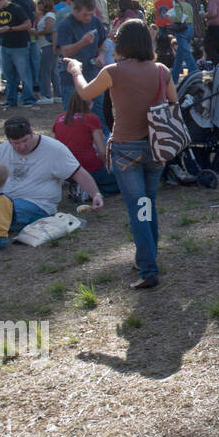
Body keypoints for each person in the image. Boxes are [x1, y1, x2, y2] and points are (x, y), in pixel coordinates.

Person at [66, 19, 172, 288]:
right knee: (147, 204)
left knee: (138, 209)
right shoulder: (161, 70)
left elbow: (85, 93)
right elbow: (174, 101)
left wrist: (76, 70)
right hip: (156, 146)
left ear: (122, 43)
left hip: (127, 148)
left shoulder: (114, 71)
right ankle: (147, 256)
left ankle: (148, 269)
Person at [0, 116, 103, 252]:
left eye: (25, 141)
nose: (21, 146)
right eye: (15, 143)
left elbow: (79, 173)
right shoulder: (2, 150)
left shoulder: (54, 149)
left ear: (32, 132)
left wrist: (95, 194)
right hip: (3, 200)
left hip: (37, 205)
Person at [53, 92, 118, 195]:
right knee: (123, 182)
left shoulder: (59, 119)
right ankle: (88, 191)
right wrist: (106, 167)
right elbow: (102, 152)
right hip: (88, 167)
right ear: (90, 103)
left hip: (67, 169)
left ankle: (81, 187)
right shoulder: (91, 118)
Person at [0, 0, 37, 109]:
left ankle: (29, 99)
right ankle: (11, 99)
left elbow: (27, 24)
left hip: (20, 46)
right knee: (9, 74)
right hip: (6, 45)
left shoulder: (16, 8)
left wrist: (10, 29)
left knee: (24, 73)